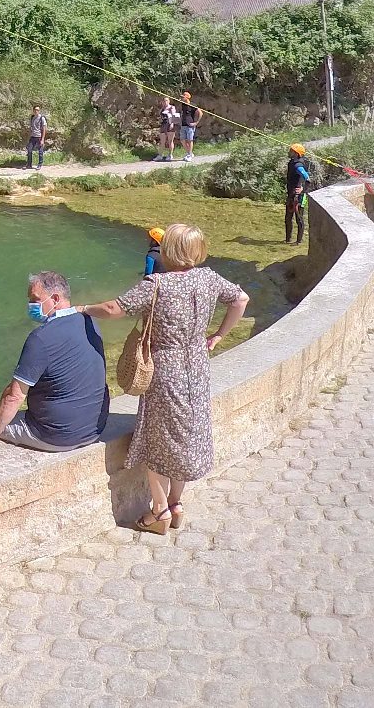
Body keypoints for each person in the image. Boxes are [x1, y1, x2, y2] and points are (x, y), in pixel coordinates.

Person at [81, 224, 249, 534]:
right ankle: (176, 502)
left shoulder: (156, 285)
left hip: (166, 369)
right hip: (197, 367)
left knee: (157, 440)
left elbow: (114, 309)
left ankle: (159, 511)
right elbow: (241, 300)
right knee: (185, 434)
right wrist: (218, 336)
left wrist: (82, 308)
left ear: (169, 250)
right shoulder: (208, 277)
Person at [0, 271, 110, 452]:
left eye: (35, 300)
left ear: (55, 298)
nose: (31, 306)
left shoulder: (41, 338)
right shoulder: (90, 322)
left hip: (57, 436)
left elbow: (14, 396)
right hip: (95, 428)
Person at [284, 144, 313, 245]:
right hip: (291, 195)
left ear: (296, 154)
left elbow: (308, 179)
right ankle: (287, 240)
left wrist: (302, 189)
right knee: (288, 218)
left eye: (291, 151)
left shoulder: (298, 166)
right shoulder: (292, 163)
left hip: (299, 197)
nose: (289, 152)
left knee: (299, 218)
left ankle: (298, 241)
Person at [177, 92, 202, 162]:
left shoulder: (192, 105)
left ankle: (189, 155)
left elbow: (200, 113)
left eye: (183, 97)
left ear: (187, 97)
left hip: (190, 125)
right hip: (183, 125)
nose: (182, 98)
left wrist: (196, 122)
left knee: (190, 140)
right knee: (182, 140)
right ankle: (189, 153)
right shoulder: (182, 105)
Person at [156, 97, 180, 162]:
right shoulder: (162, 109)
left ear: (169, 101)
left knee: (170, 141)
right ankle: (160, 155)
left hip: (170, 125)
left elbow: (173, 115)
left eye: (166, 100)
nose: (165, 102)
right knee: (162, 141)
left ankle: (170, 155)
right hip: (163, 125)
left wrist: (172, 124)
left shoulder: (171, 107)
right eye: (164, 101)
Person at [25, 104, 48, 170]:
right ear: (33, 110)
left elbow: (44, 129)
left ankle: (40, 164)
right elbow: (31, 127)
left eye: (38, 110)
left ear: (39, 111)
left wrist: (42, 139)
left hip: (39, 137)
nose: (36, 111)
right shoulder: (32, 117)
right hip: (33, 137)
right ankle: (29, 164)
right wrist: (30, 135)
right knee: (29, 150)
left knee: (40, 151)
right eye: (35, 110)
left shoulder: (42, 118)